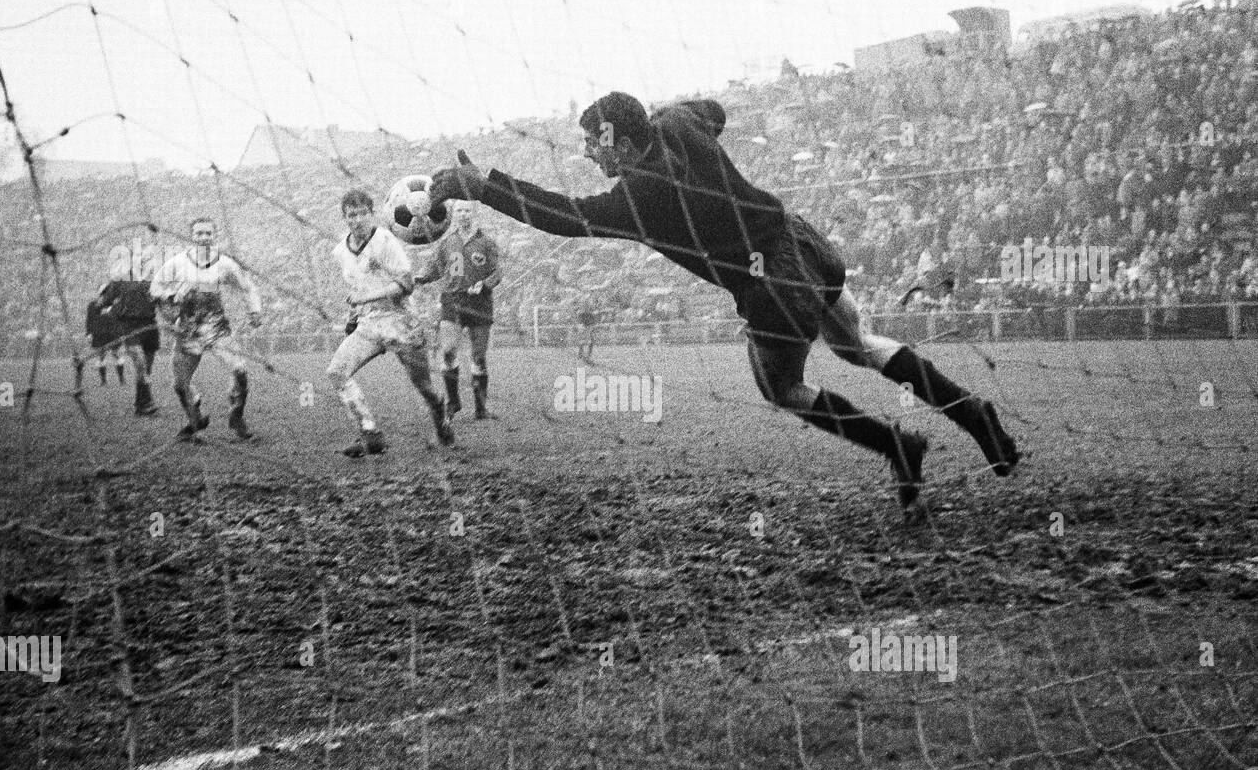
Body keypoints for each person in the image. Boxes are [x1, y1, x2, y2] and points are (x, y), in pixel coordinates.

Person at [430, 92, 1018, 514]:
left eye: (594, 143)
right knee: (856, 343)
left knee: (781, 388)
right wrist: (697, 125)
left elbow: (570, 217)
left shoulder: (643, 193)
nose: (589, 154)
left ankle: (901, 445)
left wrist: (485, 186)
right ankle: (975, 417)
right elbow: (713, 111)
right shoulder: (676, 121)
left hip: (770, 279)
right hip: (801, 238)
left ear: (624, 143)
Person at [328, 188, 455, 457]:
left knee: (424, 388)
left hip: (401, 322)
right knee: (337, 372)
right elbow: (355, 288)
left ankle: (440, 416)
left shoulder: (385, 241)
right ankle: (370, 432)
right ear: (345, 218)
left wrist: (367, 296)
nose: (358, 219)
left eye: (363, 213)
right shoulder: (340, 251)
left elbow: (406, 284)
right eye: (352, 215)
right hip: (370, 324)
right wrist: (354, 317)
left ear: (372, 214)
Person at [150, 217, 262, 440]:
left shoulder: (224, 263)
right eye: (199, 233)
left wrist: (254, 310)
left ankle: (237, 415)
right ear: (191, 236)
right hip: (188, 332)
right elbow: (155, 287)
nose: (203, 237)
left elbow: (247, 287)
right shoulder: (177, 263)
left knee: (240, 371)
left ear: (214, 235)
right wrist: (171, 298)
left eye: (207, 233)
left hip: (217, 330)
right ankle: (195, 418)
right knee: (180, 385)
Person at [414, 201, 502, 419]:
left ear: (474, 213)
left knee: (478, 357)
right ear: (454, 214)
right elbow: (435, 268)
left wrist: (484, 284)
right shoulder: (447, 243)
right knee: (448, 350)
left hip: (479, 303)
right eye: (460, 211)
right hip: (452, 300)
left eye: (467, 210)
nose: (463, 214)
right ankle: (453, 403)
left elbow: (497, 272)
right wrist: (422, 277)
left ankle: (481, 409)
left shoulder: (487, 243)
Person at [98, 257, 161, 416]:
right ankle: (148, 402)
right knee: (140, 365)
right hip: (130, 327)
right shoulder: (121, 280)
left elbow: (163, 301)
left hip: (150, 326)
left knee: (146, 369)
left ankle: (141, 406)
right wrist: (113, 307)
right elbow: (104, 302)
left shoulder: (154, 280)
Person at [84, 287, 123, 386]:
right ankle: (103, 381)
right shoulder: (92, 305)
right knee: (101, 356)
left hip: (112, 333)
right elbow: (89, 320)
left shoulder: (114, 305)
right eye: (103, 294)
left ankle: (121, 380)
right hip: (99, 334)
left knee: (116, 353)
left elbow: (120, 319)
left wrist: (121, 332)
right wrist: (88, 333)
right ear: (100, 294)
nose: (105, 296)